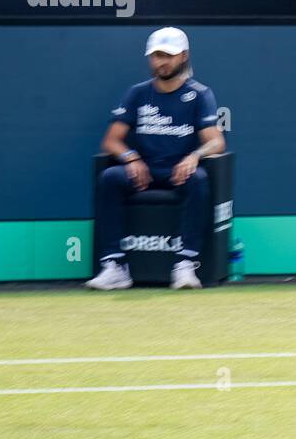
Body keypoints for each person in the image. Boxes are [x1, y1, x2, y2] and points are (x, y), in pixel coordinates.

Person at [88, 26, 224, 291]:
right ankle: (115, 266)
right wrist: (130, 157)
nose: (161, 62)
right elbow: (111, 140)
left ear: (183, 56)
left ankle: (185, 264)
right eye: (156, 55)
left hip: (178, 173)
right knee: (109, 178)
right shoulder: (137, 93)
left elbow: (216, 141)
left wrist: (194, 156)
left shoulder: (199, 94)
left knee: (198, 179)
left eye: (168, 55)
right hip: (144, 172)